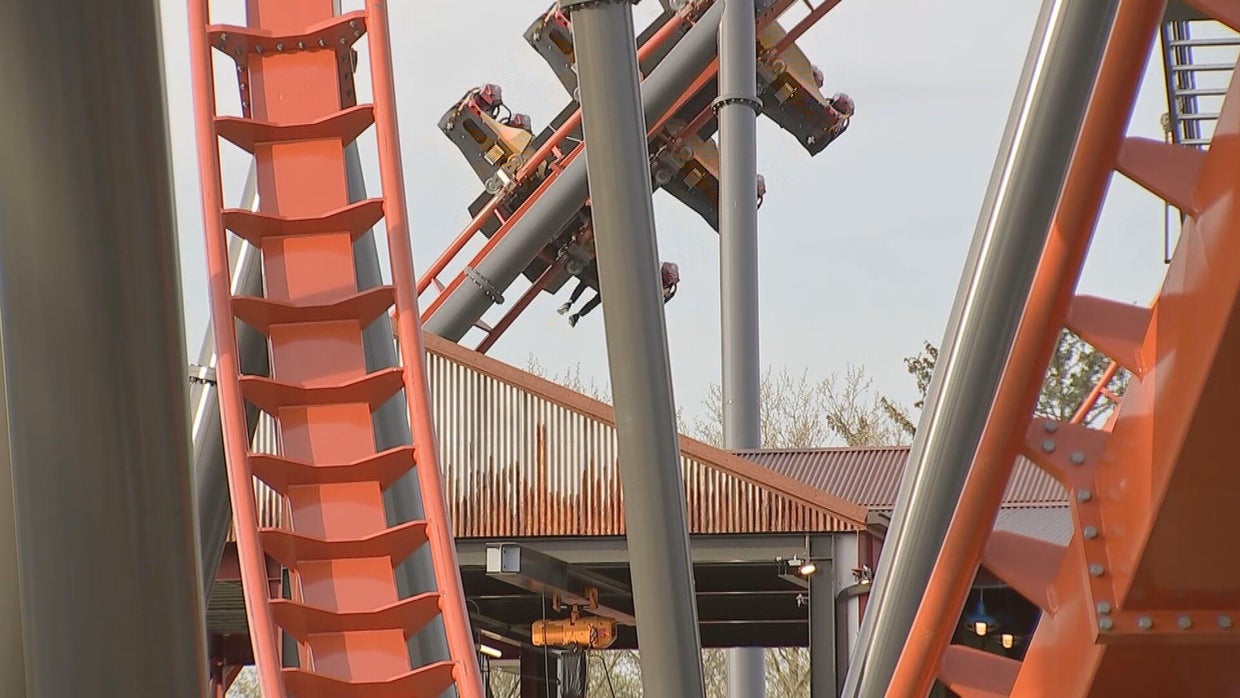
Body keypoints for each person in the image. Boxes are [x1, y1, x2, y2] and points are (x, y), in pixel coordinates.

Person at [558, 261, 679, 327]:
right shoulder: (652, 271)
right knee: (593, 286)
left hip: (622, 284)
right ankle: (572, 305)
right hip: (620, 279)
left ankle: (575, 311)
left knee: (598, 294)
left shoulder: (667, 286)